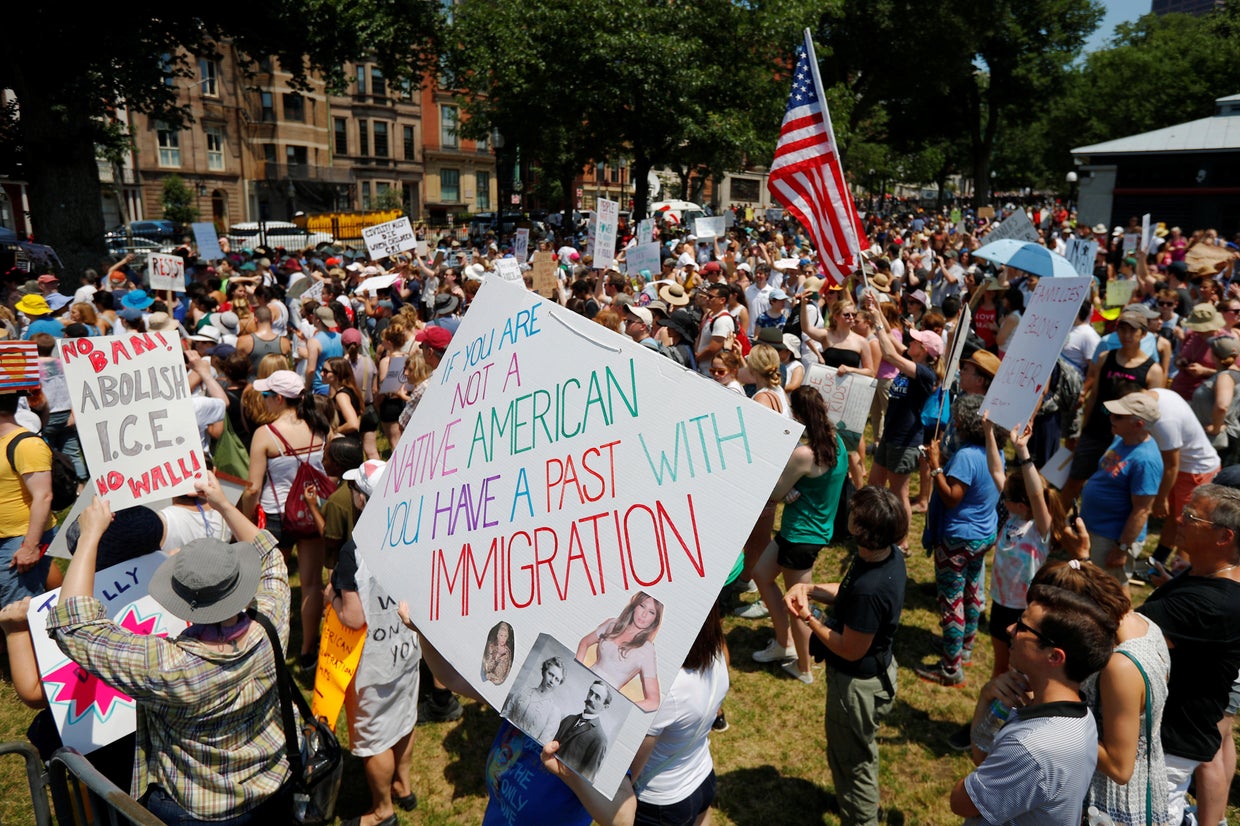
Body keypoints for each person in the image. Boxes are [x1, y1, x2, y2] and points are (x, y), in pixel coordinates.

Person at [46, 473, 292, 824]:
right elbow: (270, 555)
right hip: (271, 779)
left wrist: (89, 538)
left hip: (200, 808)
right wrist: (222, 503)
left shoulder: (169, 666)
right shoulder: (272, 622)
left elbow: (75, 627)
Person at [783, 486, 907, 826]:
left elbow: (850, 648)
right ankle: (859, 805)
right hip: (874, 676)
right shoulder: (886, 555)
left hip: (856, 688)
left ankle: (862, 817)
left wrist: (809, 618)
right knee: (859, 752)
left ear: (861, 531)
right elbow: (847, 591)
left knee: (851, 760)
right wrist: (808, 589)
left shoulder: (871, 591)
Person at [949, 584, 1117, 825]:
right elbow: (983, 755)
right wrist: (987, 696)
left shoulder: (1031, 748)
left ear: (1054, 656)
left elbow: (961, 802)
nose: (1010, 629)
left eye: (1023, 627)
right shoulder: (1080, 717)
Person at [1034, 560, 1172, 826]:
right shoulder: (1144, 624)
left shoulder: (1120, 667)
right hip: (1145, 785)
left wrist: (1056, 715)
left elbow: (1120, 767)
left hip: (1109, 806)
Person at [1137, 484, 1240, 825]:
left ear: (1224, 537)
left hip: (1167, 749)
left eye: (1191, 516)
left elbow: (1124, 628)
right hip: (1159, 739)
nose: (1179, 519)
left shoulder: (1214, 604)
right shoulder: (1200, 577)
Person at [326, 459, 421, 826]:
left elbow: (352, 617)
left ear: (364, 500)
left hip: (373, 662)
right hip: (407, 650)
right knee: (404, 719)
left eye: (354, 489)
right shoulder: (413, 534)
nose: (350, 493)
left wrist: (333, 594)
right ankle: (403, 785)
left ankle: (382, 811)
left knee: (376, 738)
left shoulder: (354, 552)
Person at [746, 386, 848, 685]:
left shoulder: (804, 454)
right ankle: (783, 641)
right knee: (761, 574)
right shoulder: (837, 443)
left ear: (800, 415)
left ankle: (803, 668)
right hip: (808, 532)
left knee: (797, 603)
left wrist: (787, 488)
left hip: (800, 536)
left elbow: (774, 492)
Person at [240, 369, 332, 669]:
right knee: (311, 585)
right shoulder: (319, 426)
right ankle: (307, 652)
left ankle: (266, 649)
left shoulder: (264, 435)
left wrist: (245, 517)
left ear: (279, 399)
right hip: (311, 511)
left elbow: (253, 487)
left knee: (266, 586)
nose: (263, 401)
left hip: (276, 516)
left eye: (266, 396)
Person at [916, 394, 1000, 687]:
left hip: (958, 540)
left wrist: (935, 465)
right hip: (983, 536)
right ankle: (964, 649)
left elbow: (952, 498)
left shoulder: (965, 457)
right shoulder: (993, 451)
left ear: (962, 422)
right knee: (972, 593)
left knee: (952, 601)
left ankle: (951, 668)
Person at [628, 603, 730, 826]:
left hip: (660, 803)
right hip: (703, 776)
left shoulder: (665, 692)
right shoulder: (717, 655)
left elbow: (630, 772)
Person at [1080, 391, 1163, 593]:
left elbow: (1142, 510)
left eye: (1118, 416)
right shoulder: (1121, 439)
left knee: (1112, 589)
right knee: (1092, 585)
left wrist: (1122, 548)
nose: (1111, 418)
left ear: (1139, 424)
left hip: (1112, 538)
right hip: (1096, 528)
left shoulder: (1146, 461)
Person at [0, 391, 54, 605]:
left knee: (19, 615)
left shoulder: (26, 444)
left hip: (19, 542)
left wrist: (30, 547)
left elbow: (43, 496)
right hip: (8, 539)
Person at [577, 591, 663, 711]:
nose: (644, 615)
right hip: (580, 682)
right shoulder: (612, 624)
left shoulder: (647, 650)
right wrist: (577, 670)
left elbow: (654, 702)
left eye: (651, 612)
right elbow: (584, 643)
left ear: (655, 620)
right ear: (635, 605)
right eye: (642, 606)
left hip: (600, 702)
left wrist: (619, 708)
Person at [552, 681, 613, 782]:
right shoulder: (568, 719)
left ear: (605, 707)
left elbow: (587, 778)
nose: (590, 698)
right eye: (590, 693)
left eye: (597, 697)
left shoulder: (600, 739)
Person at [503, 656, 567, 743]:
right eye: (551, 674)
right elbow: (505, 714)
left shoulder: (554, 712)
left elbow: (542, 743)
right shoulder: (523, 691)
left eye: (557, 679)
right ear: (544, 672)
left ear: (559, 683)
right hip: (502, 738)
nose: (552, 681)